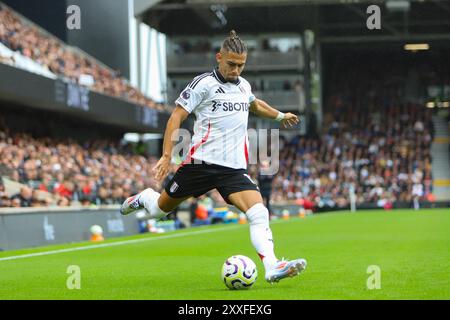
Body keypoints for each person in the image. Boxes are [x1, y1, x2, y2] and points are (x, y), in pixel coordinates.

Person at [121, 30, 306, 284]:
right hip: (201, 164)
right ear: (219, 57)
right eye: (231, 64)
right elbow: (176, 116)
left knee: (259, 213)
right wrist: (167, 155)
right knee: (158, 210)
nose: (236, 70)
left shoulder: (243, 86)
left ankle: (272, 266)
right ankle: (144, 198)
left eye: (241, 65)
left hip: (233, 169)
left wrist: (280, 116)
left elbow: (255, 104)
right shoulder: (203, 84)